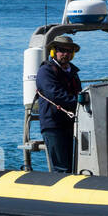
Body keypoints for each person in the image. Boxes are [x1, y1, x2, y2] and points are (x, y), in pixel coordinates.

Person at [35, 36, 82, 173]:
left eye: (69, 51)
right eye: (62, 50)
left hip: (71, 124)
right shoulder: (46, 71)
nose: (65, 54)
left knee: (74, 165)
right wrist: (79, 103)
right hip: (53, 125)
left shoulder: (73, 72)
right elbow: (55, 94)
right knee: (61, 168)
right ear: (54, 52)